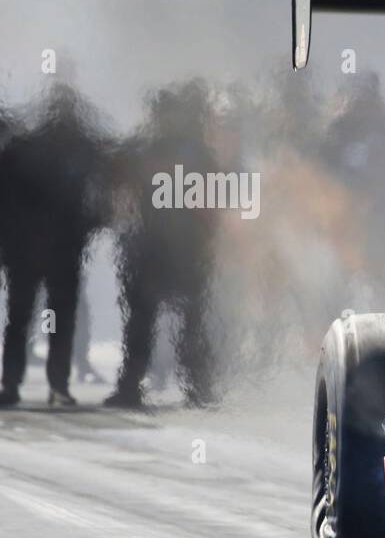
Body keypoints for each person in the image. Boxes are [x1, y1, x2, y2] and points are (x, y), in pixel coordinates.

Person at [105, 80, 220, 408]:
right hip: (164, 247)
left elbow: (211, 202)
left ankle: (192, 386)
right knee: (151, 321)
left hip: (176, 247)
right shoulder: (171, 150)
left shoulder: (171, 151)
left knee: (183, 322)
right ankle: (178, 387)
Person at [0, 83, 111, 407]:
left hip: (27, 250)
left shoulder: (22, 149)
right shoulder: (82, 151)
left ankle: (12, 384)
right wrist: (85, 229)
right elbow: (100, 200)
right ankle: (57, 383)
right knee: (59, 318)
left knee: (20, 318)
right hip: (63, 250)